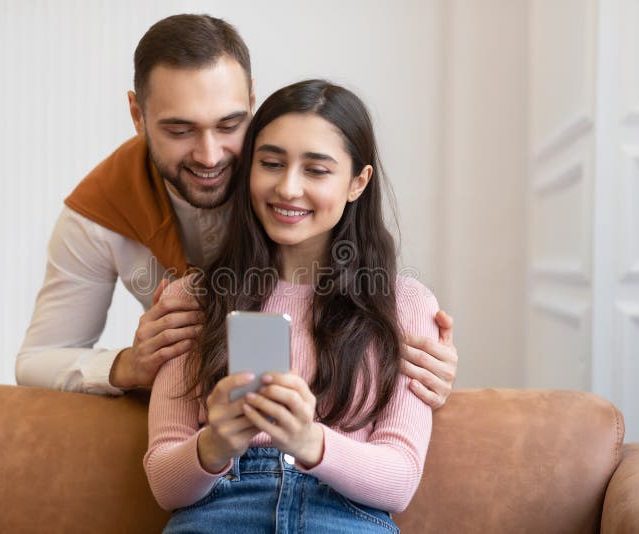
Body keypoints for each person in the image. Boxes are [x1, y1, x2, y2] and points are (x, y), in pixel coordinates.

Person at [16, 14, 458, 409]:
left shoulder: (288, 183)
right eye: (179, 129)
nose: (210, 156)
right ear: (137, 115)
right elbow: (36, 360)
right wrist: (127, 366)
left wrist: (416, 363)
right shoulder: (98, 212)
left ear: (251, 101)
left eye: (229, 125)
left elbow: (356, 298)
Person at [147, 80, 436, 533]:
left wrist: (309, 441)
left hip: (343, 517)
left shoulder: (405, 305)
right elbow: (165, 484)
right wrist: (216, 443)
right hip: (220, 513)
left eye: (317, 170)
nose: (287, 187)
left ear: (357, 183)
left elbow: (399, 482)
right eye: (271, 163)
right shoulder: (193, 299)